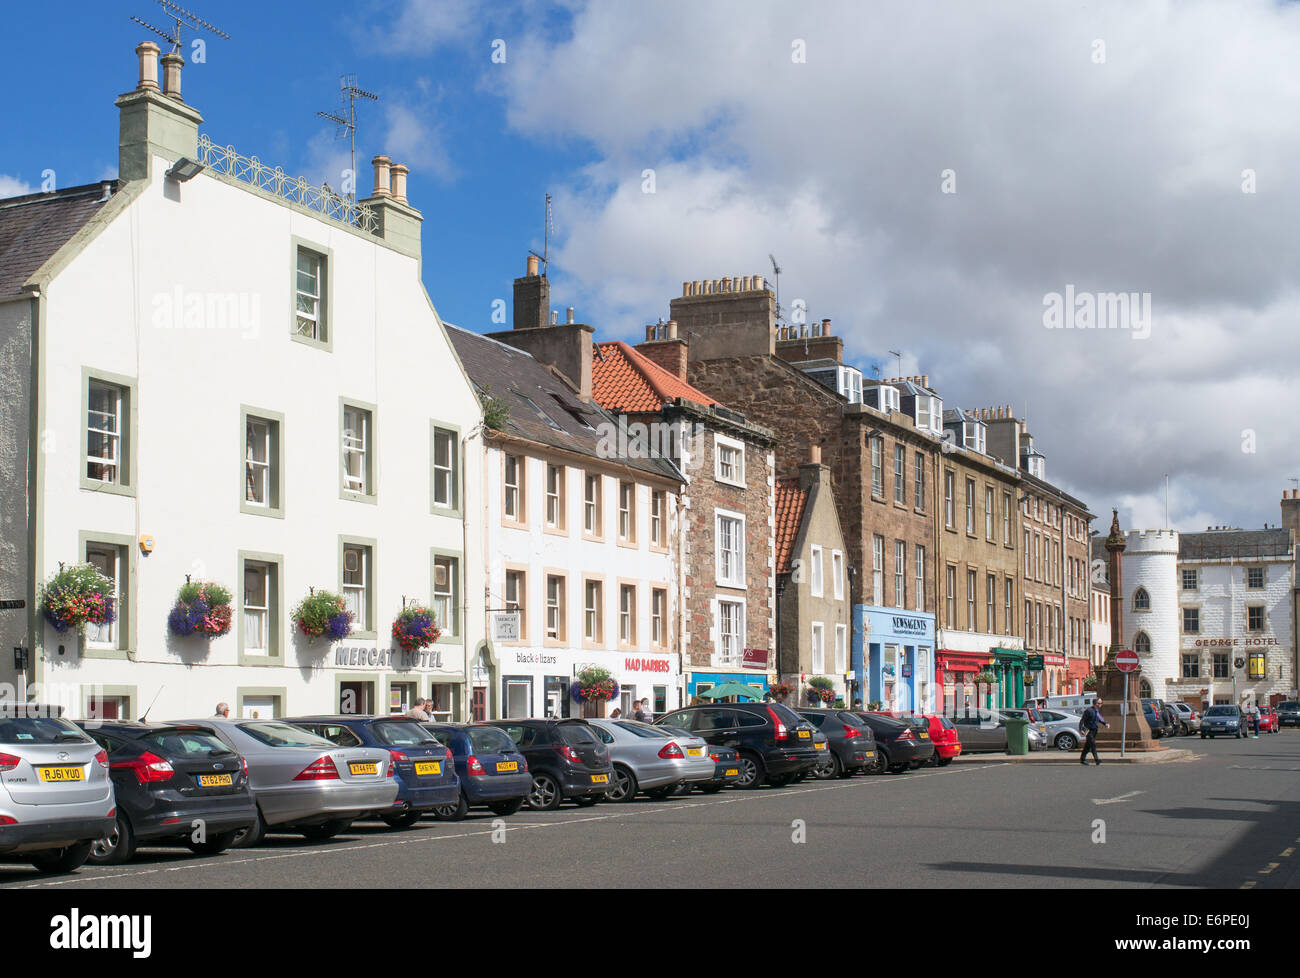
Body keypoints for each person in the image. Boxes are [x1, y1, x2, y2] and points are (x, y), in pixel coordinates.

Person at [1078, 698, 1109, 766]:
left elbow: (1100, 719)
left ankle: (1082, 759)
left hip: (1094, 730)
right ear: (1096, 704)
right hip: (1088, 730)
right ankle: (1097, 759)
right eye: (1100, 703)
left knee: (1087, 746)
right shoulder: (1088, 711)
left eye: (1101, 703)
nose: (1101, 704)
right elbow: (1082, 720)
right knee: (1093, 744)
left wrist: (1105, 723)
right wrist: (1081, 729)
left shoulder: (1096, 711)